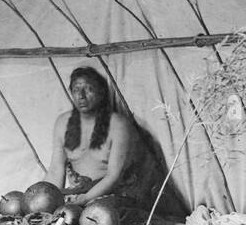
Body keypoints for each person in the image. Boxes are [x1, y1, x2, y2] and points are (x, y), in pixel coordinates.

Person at [47, 66, 161, 215]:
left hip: (114, 195)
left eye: (88, 89)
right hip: (78, 195)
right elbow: (56, 170)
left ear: (101, 93)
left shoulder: (118, 125)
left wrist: (85, 198)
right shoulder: (62, 123)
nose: (81, 96)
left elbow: (114, 176)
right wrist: (49, 199)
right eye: (76, 90)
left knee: (97, 216)